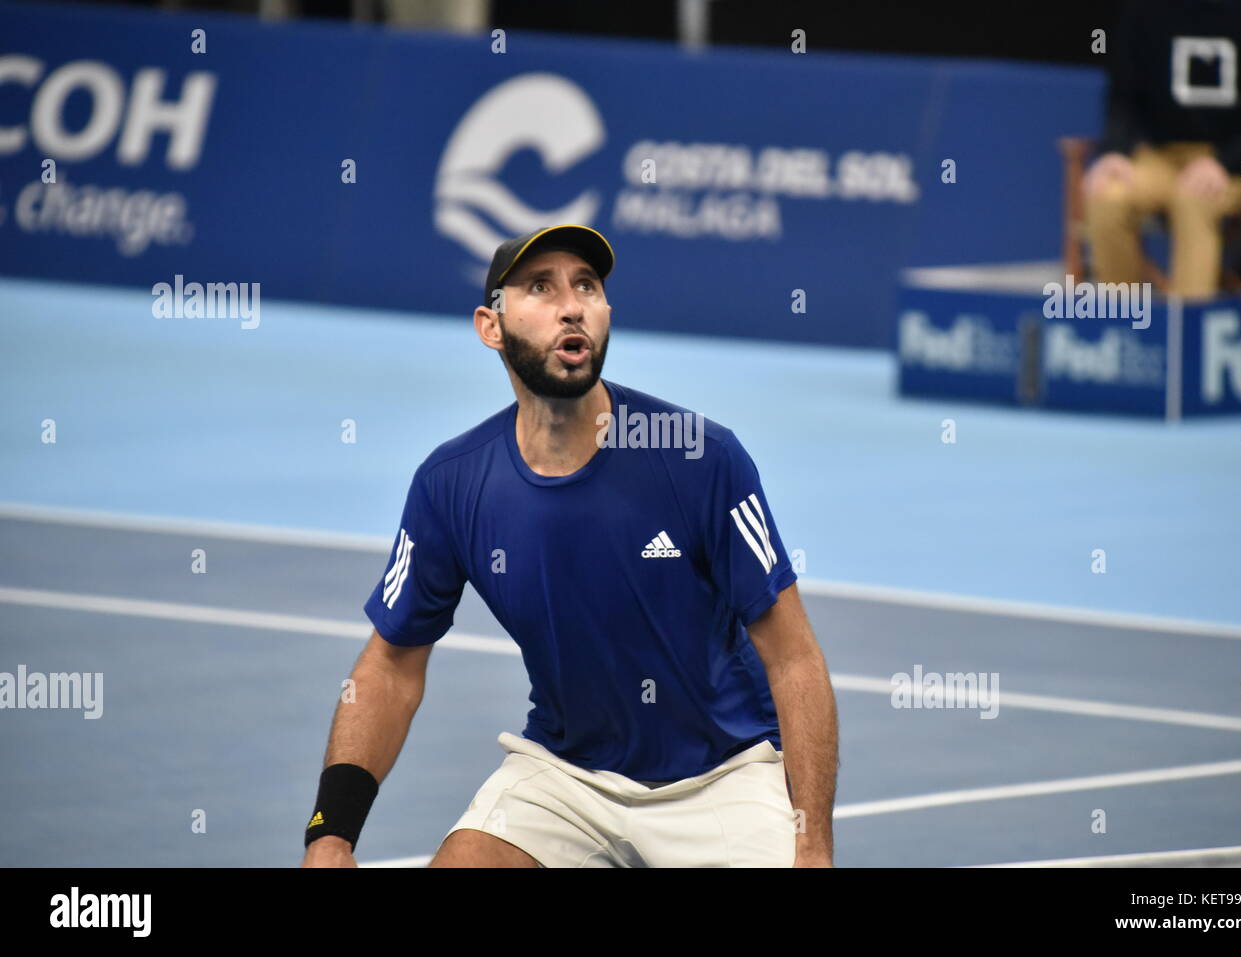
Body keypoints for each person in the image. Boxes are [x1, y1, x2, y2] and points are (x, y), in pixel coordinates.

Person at [301, 224, 839, 868]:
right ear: (490, 326)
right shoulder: (452, 484)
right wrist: (332, 833)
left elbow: (794, 659)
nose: (572, 304)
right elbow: (390, 667)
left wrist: (812, 844)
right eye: (540, 287)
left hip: (723, 776)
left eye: (587, 285)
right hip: (567, 777)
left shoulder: (701, 457)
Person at [1084, 0, 1241, 297]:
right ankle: (1123, 326)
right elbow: (1123, 96)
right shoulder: (1144, 10)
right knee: (1108, 194)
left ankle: (1186, 330)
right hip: (1162, 157)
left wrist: (1226, 163)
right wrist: (1115, 150)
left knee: (1194, 198)